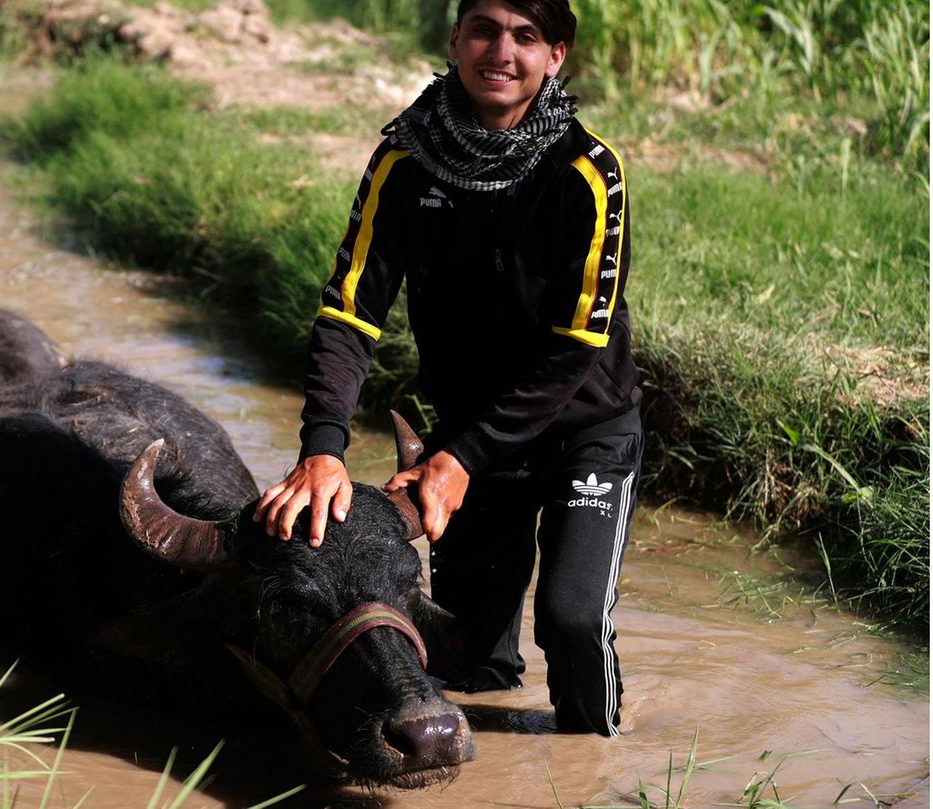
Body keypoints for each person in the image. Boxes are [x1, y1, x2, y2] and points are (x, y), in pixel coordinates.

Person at [253, 0, 642, 736]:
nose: (503, 51)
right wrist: (322, 449)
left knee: (571, 623)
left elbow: (575, 348)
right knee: (462, 649)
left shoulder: (588, 173)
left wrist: (457, 457)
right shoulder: (404, 160)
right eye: (485, 30)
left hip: (582, 430)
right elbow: (349, 312)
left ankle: (593, 761)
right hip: (466, 436)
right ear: (455, 40)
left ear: (556, 56)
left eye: (526, 37)